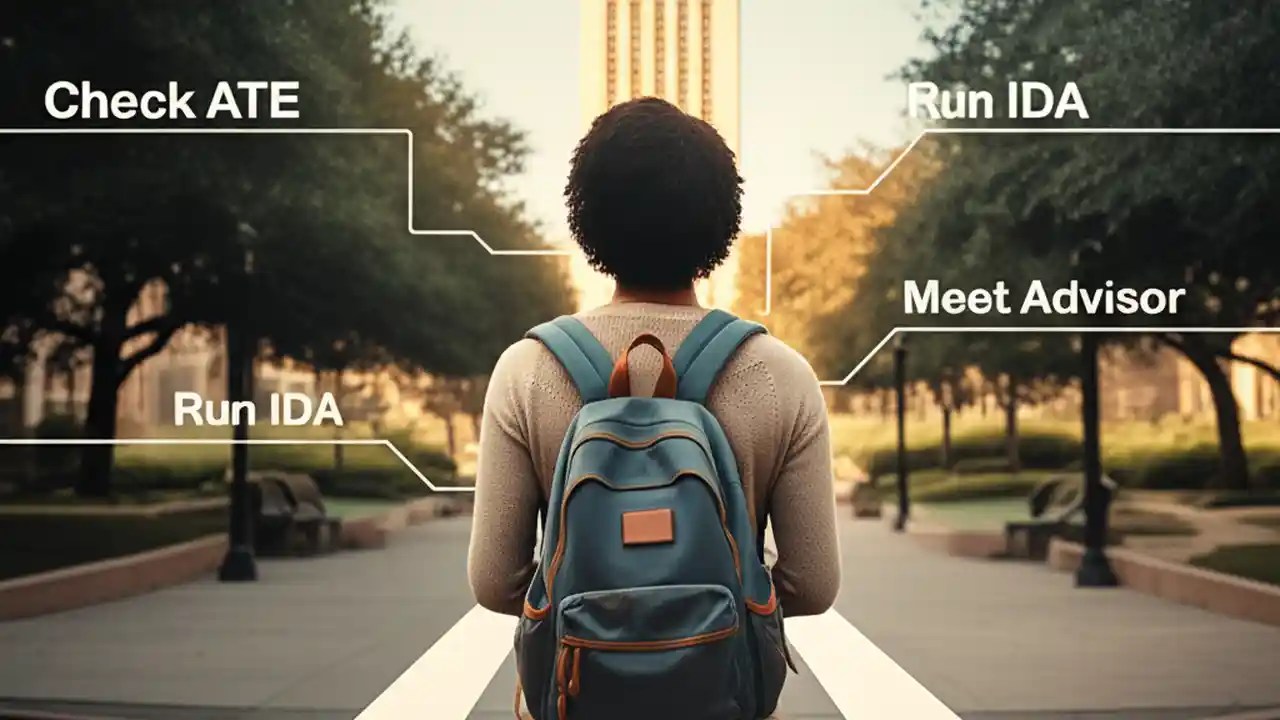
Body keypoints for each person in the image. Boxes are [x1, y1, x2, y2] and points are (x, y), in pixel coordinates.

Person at [467, 96, 840, 624]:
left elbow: (494, 581)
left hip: (575, 674)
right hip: (726, 676)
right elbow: (813, 586)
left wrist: (598, 604)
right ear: (723, 219)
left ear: (585, 216)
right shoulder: (783, 374)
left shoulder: (526, 370)